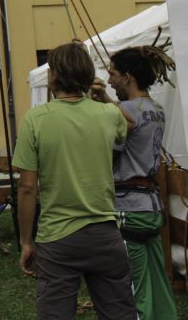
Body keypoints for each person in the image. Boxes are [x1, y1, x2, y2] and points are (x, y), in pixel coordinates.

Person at [12, 41, 137, 319]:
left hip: (58, 239)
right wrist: (103, 97)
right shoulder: (105, 115)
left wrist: (26, 241)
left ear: (54, 75)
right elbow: (130, 124)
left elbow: (28, 187)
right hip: (105, 234)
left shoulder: (35, 120)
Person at [93, 46, 178, 320]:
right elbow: (130, 116)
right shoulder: (157, 109)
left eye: (113, 74)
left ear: (128, 77)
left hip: (128, 208)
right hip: (151, 207)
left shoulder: (123, 114)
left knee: (133, 289)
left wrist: (101, 106)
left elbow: (121, 124)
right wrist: (107, 100)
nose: (109, 80)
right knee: (157, 281)